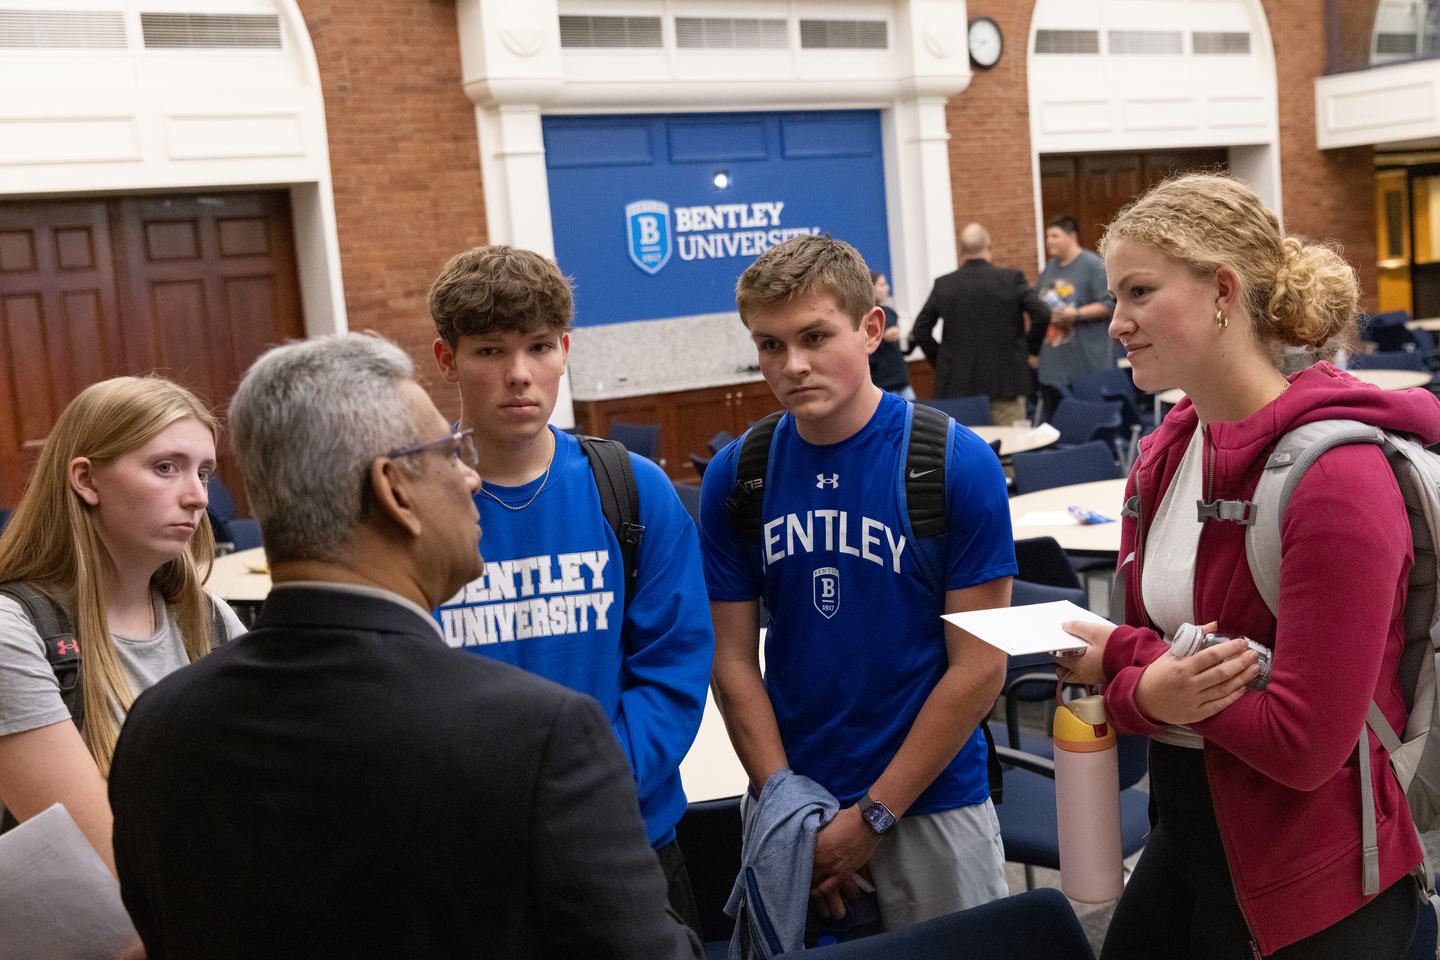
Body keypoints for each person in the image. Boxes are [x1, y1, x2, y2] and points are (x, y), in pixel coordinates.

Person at [108, 333, 703, 960]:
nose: (472, 479)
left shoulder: (158, 729)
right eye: (450, 453)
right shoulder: (539, 740)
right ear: (395, 491)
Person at [1055, 174, 1439, 959]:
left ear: (1223, 290)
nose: (1115, 320)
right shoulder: (1169, 450)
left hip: (1316, 878)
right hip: (1188, 835)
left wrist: (1136, 673)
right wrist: (1145, 691)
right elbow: (1137, 672)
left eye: (1138, 291)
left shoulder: (1338, 478)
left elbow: (1303, 745)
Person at [699, 234, 1014, 932]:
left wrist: (872, 816)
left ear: (872, 328)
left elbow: (979, 667)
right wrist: (787, 805)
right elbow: (731, 660)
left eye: (814, 336)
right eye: (770, 345)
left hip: (932, 801)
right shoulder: (737, 476)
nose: (793, 364)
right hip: (794, 805)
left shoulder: (954, 463)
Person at [427, 244, 714, 933]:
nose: (519, 375)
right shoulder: (411, 506)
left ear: (564, 349)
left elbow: (671, 674)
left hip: (626, 845)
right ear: (447, 360)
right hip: (475, 867)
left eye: (537, 347)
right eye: (490, 351)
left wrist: (582, 794)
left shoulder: (633, 490)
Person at [0, 376, 243, 880]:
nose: (199, 497)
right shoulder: (13, 631)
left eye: (204, 472)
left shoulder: (211, 618)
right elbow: (113, 870)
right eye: (165, 468)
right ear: (86, 480)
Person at [911, 223, 1051, 424]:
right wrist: (1030, 347)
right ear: (989, 245)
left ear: (960, 251)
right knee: (1007, 449)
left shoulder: (944, 285)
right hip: (1006, 384)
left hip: (957, 391)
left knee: (963, 451)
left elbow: (920, 330)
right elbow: (1042, 313)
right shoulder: (1011, 279)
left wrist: (942, 362)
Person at [1035, 215, 1115, 420]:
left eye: (1054, 235)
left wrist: (1076, 314)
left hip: (1086, 364)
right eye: (1047, 236)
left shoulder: (1092, 265)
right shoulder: (1049, 269)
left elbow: (1110, 304)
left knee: (1085, 422)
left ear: (1072, 236)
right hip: (1054, 363)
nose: (1049, 241)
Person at [866, 272, 914, 400]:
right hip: (882, 386)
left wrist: (911, 339)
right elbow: (866, 355)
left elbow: (903, 351)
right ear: (871, 288)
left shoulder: (891, 313)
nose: (887, 288)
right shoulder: (864, 317)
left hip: (903, 383)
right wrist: (883, 340)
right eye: (882, 285)